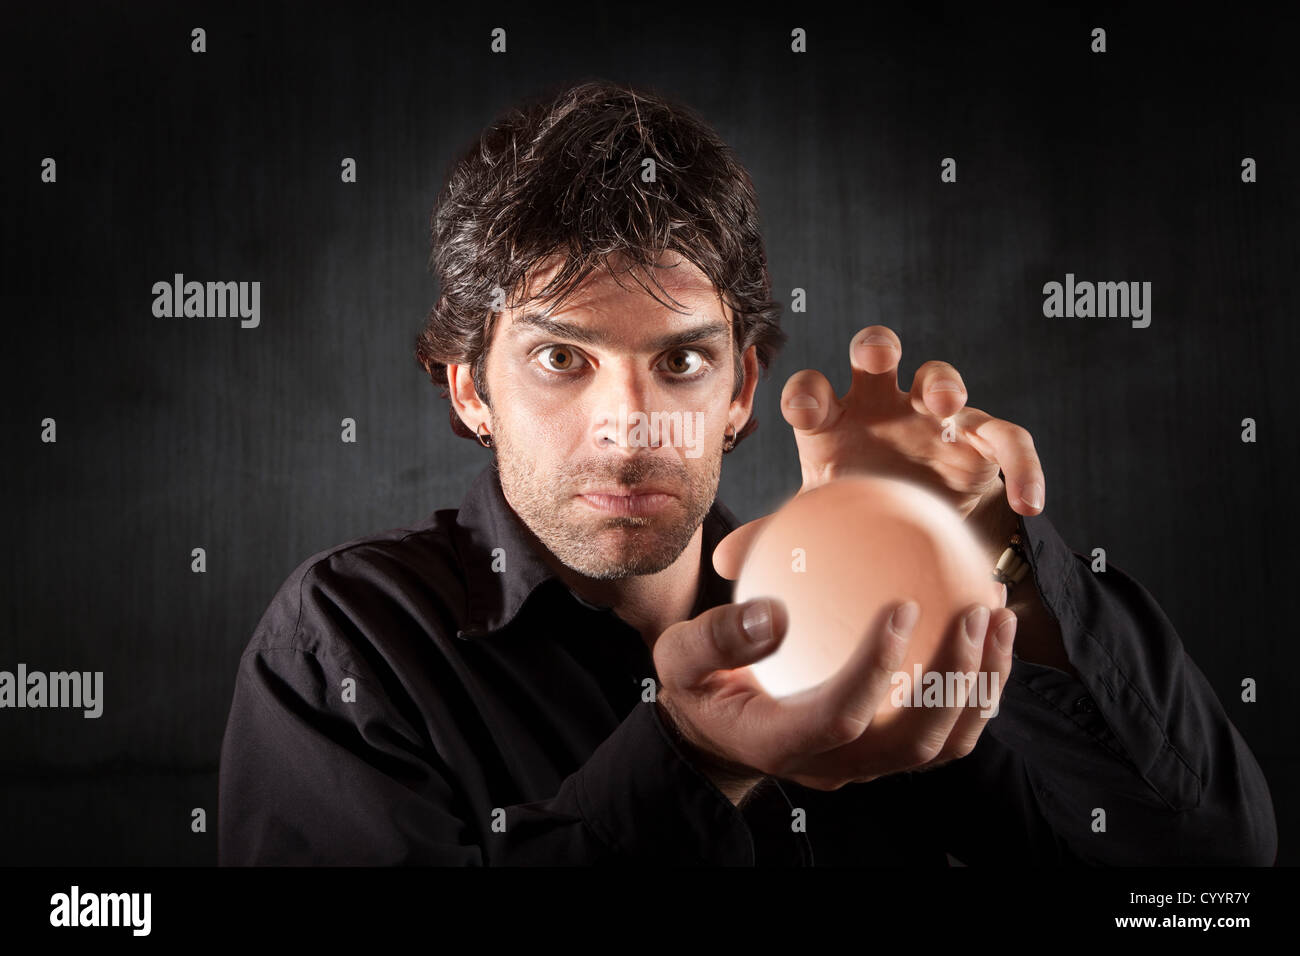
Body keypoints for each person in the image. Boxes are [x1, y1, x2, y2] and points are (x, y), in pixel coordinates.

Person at [217, 80, 1276, 866]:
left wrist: (999, 561)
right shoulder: (347, 641)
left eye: (678, 359)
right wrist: (691, 759)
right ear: (468, 390)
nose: (628, 428)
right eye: (558, 358)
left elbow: (1211, 870)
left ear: (739, 389)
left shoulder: (887, 625)